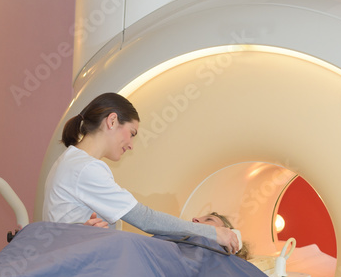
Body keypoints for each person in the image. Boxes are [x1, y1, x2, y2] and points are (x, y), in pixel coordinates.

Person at [42, 93, 241, 254]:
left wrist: (80, 231)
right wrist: (212, 233)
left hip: (68, 255)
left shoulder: (71, 160)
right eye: (132, 133)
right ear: (112, 121)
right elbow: (145, 219)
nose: (130, 145)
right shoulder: (87, 168)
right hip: (74, 263)